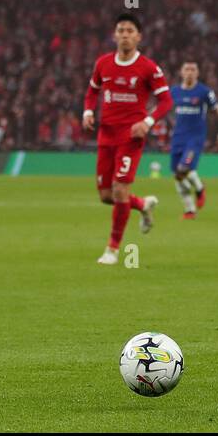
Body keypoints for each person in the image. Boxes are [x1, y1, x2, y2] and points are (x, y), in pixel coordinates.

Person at [82, 13, 172, 265]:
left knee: (120, 190)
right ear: (114, 35)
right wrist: (88, 111)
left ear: (138, 37)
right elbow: (92, 91)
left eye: (130, 30)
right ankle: (142, 205)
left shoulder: (149, 68)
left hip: (130, 137)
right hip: (106, 135)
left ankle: (112, 250)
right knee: (106, 196)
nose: (124, 34)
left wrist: (147, 122)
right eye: (120, 30)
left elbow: (166, 101)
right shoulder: (102, 64)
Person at [168, 60, 218, 219]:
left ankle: (199, 189)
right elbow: (162, 109)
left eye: (193, 69)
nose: (190, 72)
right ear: (181, 72)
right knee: (177, 175)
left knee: (183, 168)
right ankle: (190, 210)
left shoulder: (204, 92)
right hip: (178, 137)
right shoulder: (174, 91)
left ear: (197, 73)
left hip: (195, 138)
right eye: (187, 69)